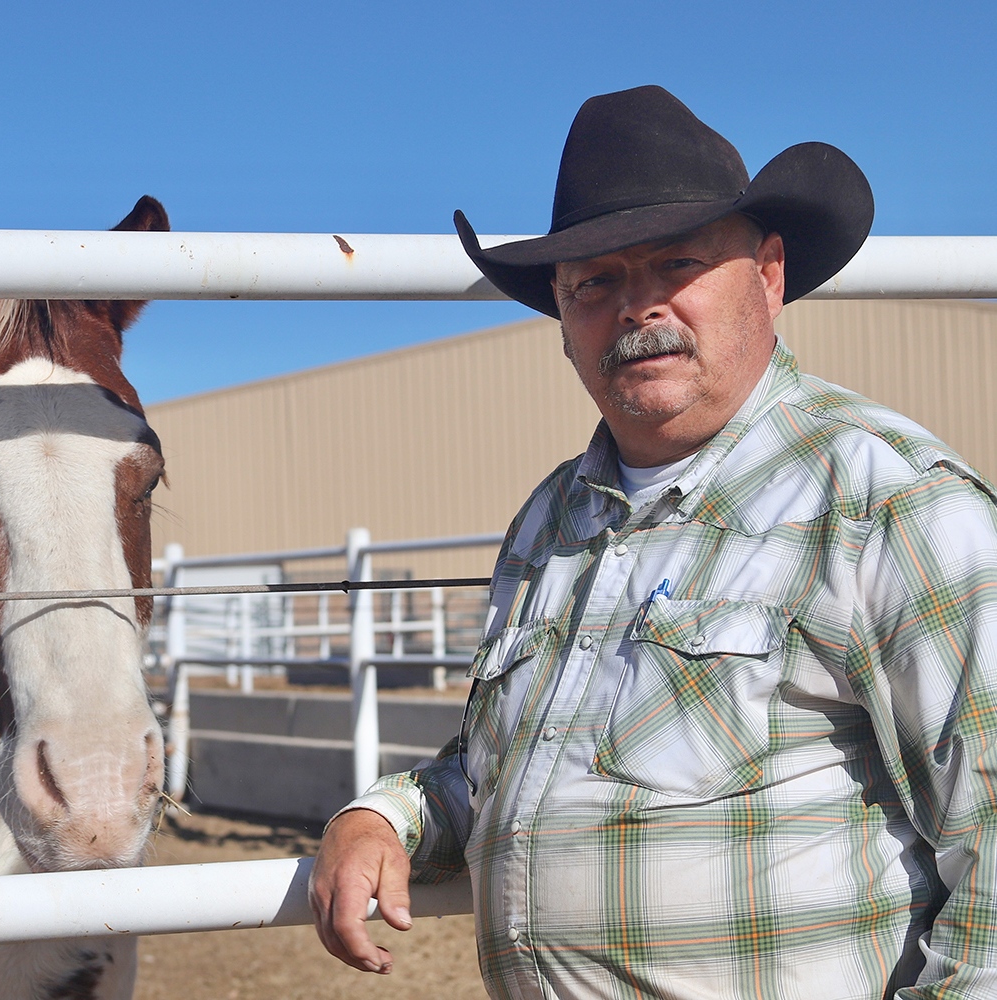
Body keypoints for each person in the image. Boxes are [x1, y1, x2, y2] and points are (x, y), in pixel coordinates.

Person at [309, 84, 997, 999]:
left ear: (769, 274)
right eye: (593, 282)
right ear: (561, 319)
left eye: (677, 264)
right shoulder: (552, 519)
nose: (637, 308)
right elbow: (509, 770)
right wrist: (381, 818)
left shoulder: (883, 499)